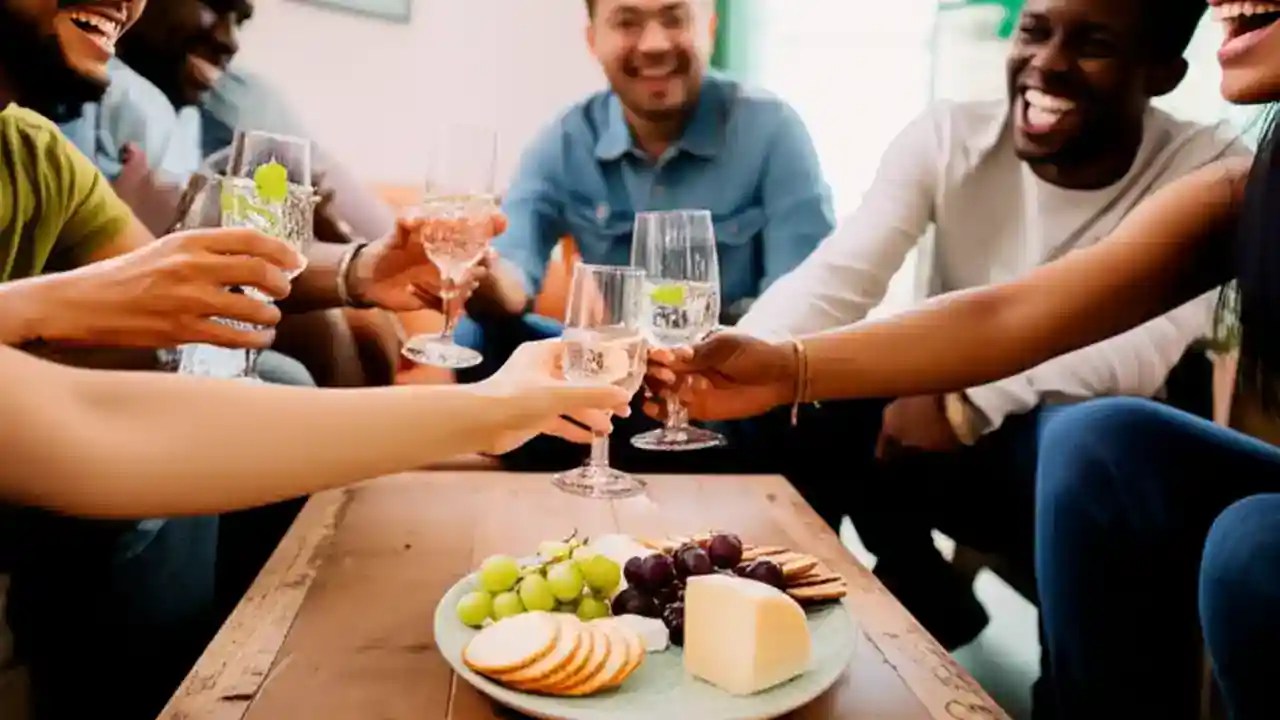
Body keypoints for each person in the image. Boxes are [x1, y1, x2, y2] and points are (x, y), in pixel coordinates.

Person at [649, 0, 1280, 715]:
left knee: (1097, 439)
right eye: (1033, 30)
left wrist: (965, 403)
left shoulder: (1218, 168)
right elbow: (966, 304)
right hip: (949, 424)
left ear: (1161, 72)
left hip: (1046, 450)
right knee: (814, 393)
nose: (1048, 62)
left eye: (1094, 43)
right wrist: (765, 364)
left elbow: (1128, 353)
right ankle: (767, 621)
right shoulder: (956, 134)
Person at [455, 0, 835, 391]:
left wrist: (719, 366)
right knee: (479, 337)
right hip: (622, 379)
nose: (654, 44)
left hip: (738, 383)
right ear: (592, 40)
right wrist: (476, 271)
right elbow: (515, 269)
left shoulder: (772, 130)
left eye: (674, 18)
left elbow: (802, 302)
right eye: (627, 22)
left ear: (710, 28)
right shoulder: (567, 140)